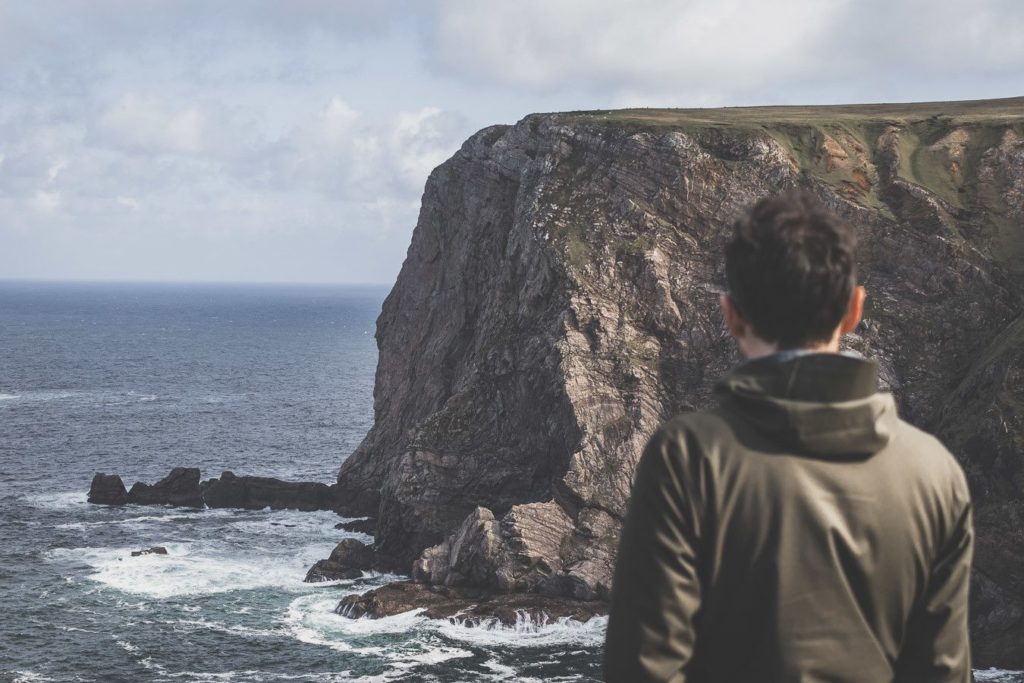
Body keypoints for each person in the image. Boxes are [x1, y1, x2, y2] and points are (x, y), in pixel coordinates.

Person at [603, 191, 973, 683]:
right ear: (854, 309)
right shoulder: (935, 472)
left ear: (731, 313)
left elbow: (642, 669)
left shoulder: (688, 457)